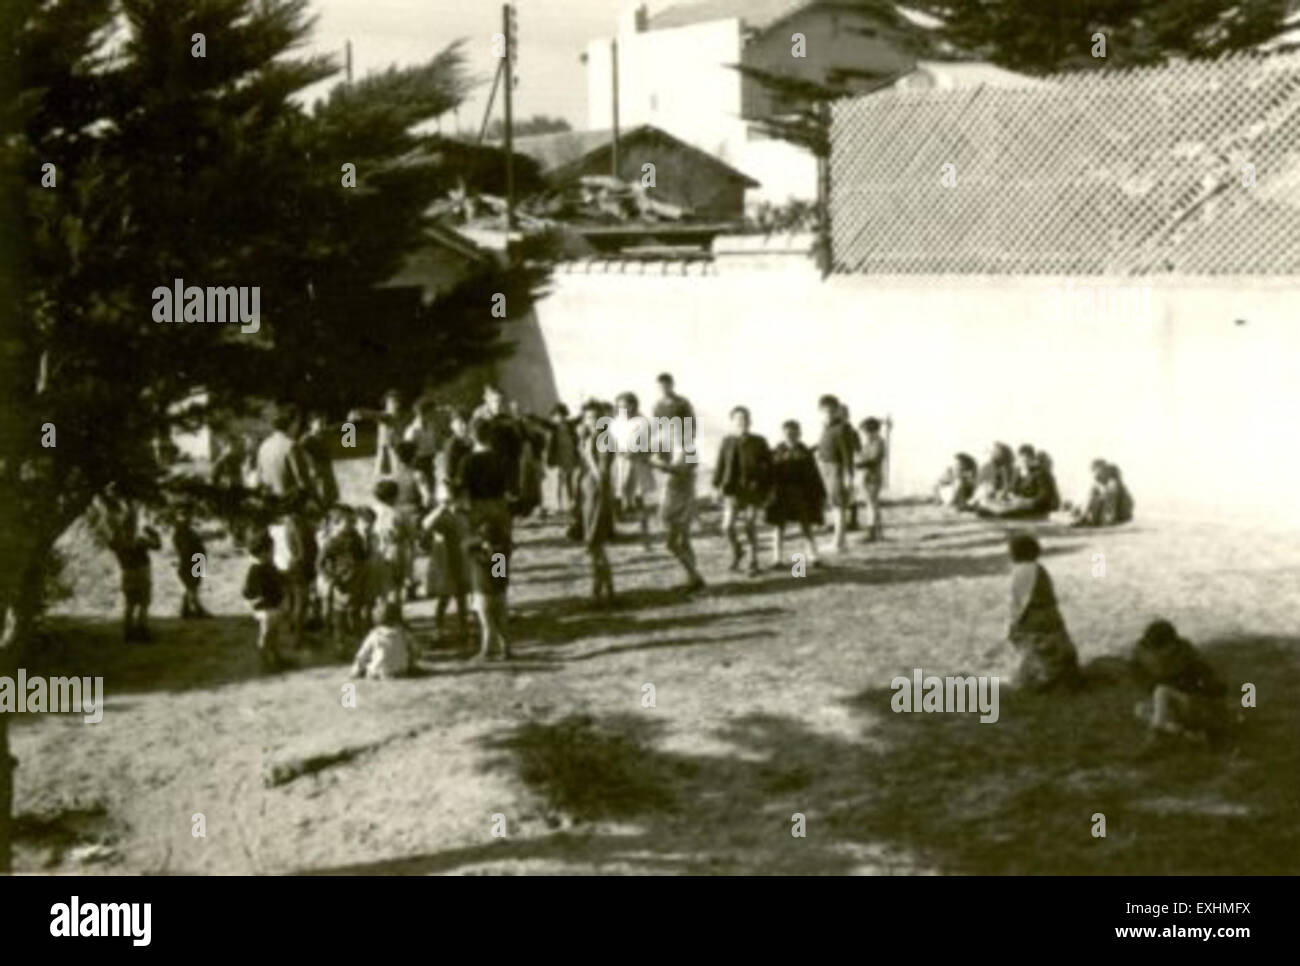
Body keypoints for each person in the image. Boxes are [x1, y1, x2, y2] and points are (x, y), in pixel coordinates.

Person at [456, 418, 515, 659]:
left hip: (478, 509)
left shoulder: (467, 461)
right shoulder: (504, 459)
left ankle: (486, 634)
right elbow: (513, 491)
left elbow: (462, 490)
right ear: (491, 436)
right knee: (500, 553)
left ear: (472, 435)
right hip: (499, 507)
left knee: (478, 558)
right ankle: (499, 594)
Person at [1131, 619, 1226, 746]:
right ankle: (1185, 734)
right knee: (1140, 709)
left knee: (1162, 691)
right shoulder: (1148, 660)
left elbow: (1212, 685)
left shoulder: (1187, 657)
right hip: (1172, 705)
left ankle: (1156, 733)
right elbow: (1144, 682)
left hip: (1193, 704)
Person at [1006, 534, 1080, 691]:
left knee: (1028, 644)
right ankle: (1058, 672)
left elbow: (1018, 603)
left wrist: (1013, 625)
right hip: (1052, 616)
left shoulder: (1021, 571)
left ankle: (1041, 676)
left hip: (1036, 618)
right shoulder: (1040, 569)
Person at [713, 406, 772, 576]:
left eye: (745, 419)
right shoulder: (727, 441)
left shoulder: (759, 441)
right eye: (738, 419)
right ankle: (737, 550)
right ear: (732, 422)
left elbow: (769, 467)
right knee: (727, 526)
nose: (742, 422)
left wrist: (768, 490)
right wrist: (716, 486)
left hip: (753, 490)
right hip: (732, 489)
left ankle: (753, 561)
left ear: (750, 421)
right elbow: (720, 465)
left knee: (750, 524)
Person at [96, 498, 161, 643]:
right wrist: (153, 533)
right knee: (144, 603)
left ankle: (128, 633)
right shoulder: (139, 541)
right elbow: (157, 546)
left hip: (126, 573)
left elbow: (110, 540)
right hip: (142, 573)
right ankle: (143, 631)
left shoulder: (116, 542)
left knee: (130, 604)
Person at [766, 420, 825, 570]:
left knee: (806, 525)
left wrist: (820, 493)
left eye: (794, 433)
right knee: (779, 526)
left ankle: (813, 556)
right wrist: (769, 493)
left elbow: (814, 475)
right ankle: (777, 558)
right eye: (788, 433)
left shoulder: (805, 452)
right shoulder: (776, 452)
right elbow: (770, 474)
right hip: (781, 494)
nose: (791, 436)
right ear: (783, 434)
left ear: (799, 434)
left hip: (801, 494)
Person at [652, 437, 706, 595]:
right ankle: (692, 578)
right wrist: (654, 459)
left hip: (683, 498)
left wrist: (660, 464)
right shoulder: (668, 445)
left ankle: (695, 577)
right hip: (672, 495)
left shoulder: (690, 448)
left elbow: (685, 470)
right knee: (682, 541)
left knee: (675, 542)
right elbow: (656, 459)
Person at [577, 400, 617, 606]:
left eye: (594, 418)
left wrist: (586, 454)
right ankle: (606, 591)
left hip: (597, 496)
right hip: (588, 496)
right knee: (595, 547)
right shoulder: (591, 438)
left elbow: (601, 474)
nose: (590, 421)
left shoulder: (603, 439)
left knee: (595, 546)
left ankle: (600, 592)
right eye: (587, 418)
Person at [422, 490, 469, 644]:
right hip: (448, 563)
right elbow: (426, 525)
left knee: (462, 597)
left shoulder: (463, 516)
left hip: (464, 563)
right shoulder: (445, 517)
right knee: (446, 597)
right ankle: (441, 630)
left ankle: (465, 629)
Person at [613, 391, 655, 549]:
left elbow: (649, 445)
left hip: (637, 463)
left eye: (626, 405)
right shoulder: (615, 422)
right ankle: (617, 532)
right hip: (620, 464)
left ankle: (645, 536)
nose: (624, 409)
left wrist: (636, 452)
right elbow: (611, 442)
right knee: (620, 497)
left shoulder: (642, 422)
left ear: (633, 405)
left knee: (639, 500)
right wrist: (618, 451)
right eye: (620, 406)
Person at [319, 505, 367, 639]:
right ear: (336, 524)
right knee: (339, 614)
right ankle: (340, 642)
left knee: (355, 611)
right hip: (340, 582)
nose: (352, 525)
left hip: (356, 580)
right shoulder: (332, 542)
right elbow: (320, 563)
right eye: (348, 522)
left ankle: (356, 638)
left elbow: (362, 557)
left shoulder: (357, 539)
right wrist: (331, 578)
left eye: (353, 522)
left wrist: (360, 573)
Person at [815, 395, 855, 553]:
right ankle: (840, 540)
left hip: (836, 469)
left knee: (839, 506)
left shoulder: (842, 428)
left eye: (832, 412)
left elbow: (847, 455)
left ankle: (838, 542)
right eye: (825, 412)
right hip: (826, 469)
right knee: (834, 505)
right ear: (820, 412)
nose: (829, 415)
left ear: (838, 411)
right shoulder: (827, 428)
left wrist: (848, 476)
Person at [243, 531, 287, 670]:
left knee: (274, 633)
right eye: (271, 550)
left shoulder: (269, 566)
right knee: (266, 634)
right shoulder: (255, 570)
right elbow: (248, 591)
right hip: (265, 607)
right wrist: (257, 600)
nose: (273, 553)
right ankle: (265, 661)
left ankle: (276, 657)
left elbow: (278, 579)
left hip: (274, 605)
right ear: (263, 552)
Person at [350, 602, 416, 679]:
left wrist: (356, 669)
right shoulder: (403, 633)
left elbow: (362, 655)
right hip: (401, 670)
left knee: (368, 666)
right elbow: (415, 651)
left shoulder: (375, 635)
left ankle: (362, 671)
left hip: (379, 671)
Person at [348, 389, 404, 478]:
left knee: (396, 474)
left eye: (397, 402)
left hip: (394, 449)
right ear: (387, 404)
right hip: (384, 448)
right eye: (392, 402)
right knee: (382, 476)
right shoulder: (385, 415)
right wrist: (358, 413)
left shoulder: (395, 416)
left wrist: (359, 413)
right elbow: (373, 414)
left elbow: (374, 414)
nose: (396, 404)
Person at [171, 507, 210, 619]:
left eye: (186, 515)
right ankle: (196, 610)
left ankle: (186, 609)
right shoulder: (181, 532)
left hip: (197, 559)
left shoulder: (188, 531)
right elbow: (185, 549)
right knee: (191, 586)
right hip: (190, 561)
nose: (185, 518)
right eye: (182, 516)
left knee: (193, 586)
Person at [298, 413, 340, 511]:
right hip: (316, 472)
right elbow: (302, 455)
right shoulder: (306, 440)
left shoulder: (324, 434)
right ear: (310, 424)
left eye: (324, 423)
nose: (323, 426)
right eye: (320, 423)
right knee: (321, 498)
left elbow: (336, 427)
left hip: (327, 470)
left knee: (331, 497)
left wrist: (349, 422)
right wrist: (311, 467)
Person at [543, 402, 579, 517]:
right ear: (553, 417)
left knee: (569, 480)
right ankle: (557, 504)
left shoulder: (569, 425)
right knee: (557, 480)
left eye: (562, 415)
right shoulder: (553, 427)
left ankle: (570, 504)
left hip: (569, 454)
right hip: (557, 456)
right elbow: (542, 423)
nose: (560, 418)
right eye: (557, 415)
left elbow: (578, 420)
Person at [857, 416, 887, 542]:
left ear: (873, 430)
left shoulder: (878, 442)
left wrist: (859, 464)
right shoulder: (869, 443)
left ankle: (872, 532)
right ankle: (878, 532)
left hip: (873, 477)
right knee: (873, 504)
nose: (865, 434)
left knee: (871, 504)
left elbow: (874, 459)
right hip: (867, 476)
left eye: (866, 431)